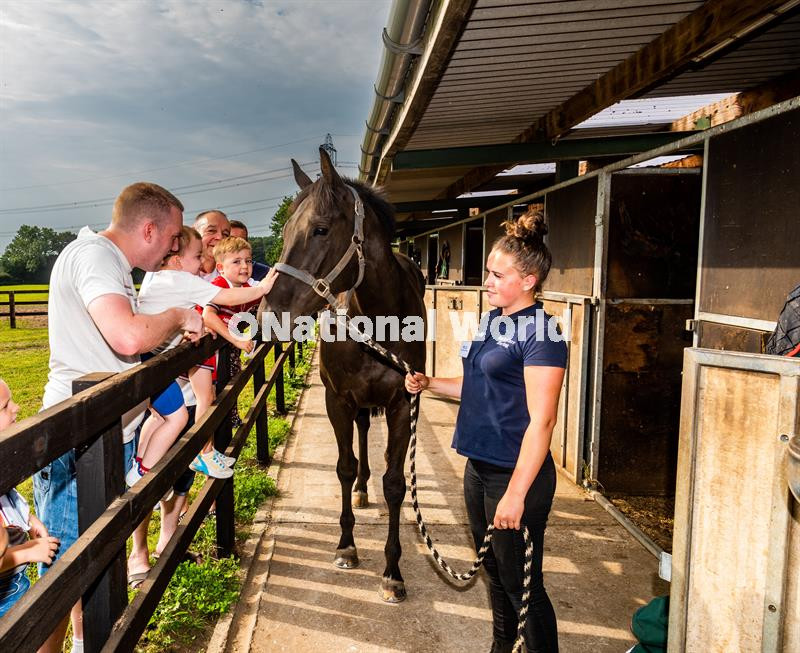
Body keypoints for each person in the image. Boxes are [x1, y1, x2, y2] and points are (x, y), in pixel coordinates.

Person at [34, 182, 204, 652]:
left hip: (107, 432)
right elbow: (127, 338)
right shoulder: (94, 257)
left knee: (95, 559)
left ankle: (87, 639)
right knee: (63, 573)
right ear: (148, 229)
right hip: (77, 440)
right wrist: (177, 316)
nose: (175, 246)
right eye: (172, 237)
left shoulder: (109, 262)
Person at [405, 208, 566, 653]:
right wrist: (431, 382)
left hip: (515, 475)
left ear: (529, 280)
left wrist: (516, 493)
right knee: (496, 576)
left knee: (524, 588)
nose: (488, 281)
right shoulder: (494, 321)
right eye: (488, 273)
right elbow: (476, 386)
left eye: (498, 275)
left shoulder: (543, 333)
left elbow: (543, 419)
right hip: (479, 468)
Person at [133, 226, 278, 484]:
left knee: (163, 414)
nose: (202, 264)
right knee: (202, 401)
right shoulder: (182, 279)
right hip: (167, 357)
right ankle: (202, 451)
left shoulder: (158, 278)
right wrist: (263, 287)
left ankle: (144, 468)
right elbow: (222, 299)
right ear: (177, 260)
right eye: (198, 257)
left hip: (155, 358)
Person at [0, 379, 61, 620]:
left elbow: (6, 500)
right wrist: (28, 551)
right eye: (5, 406)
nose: (16, 408)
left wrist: (28, 517)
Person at [193, 210, 231, 282]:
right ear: (194, 233)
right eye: (211, 231)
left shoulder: (232, 277)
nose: (220, 237)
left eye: (225, 234)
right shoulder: (176, 274)